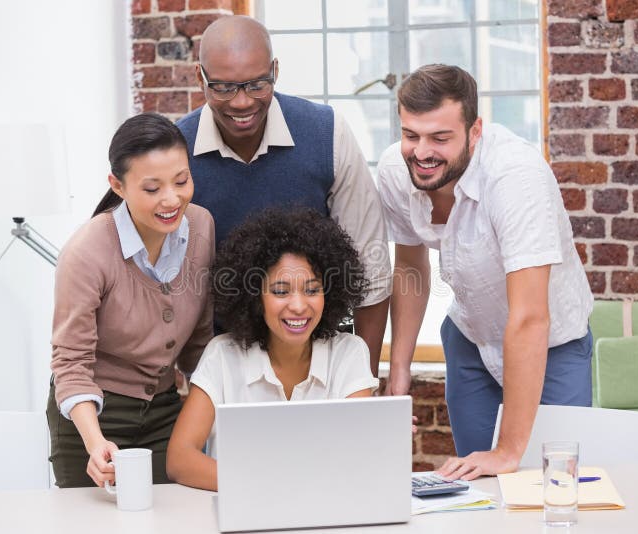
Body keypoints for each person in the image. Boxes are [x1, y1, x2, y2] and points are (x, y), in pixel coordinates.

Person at [378, 65, 593, 480]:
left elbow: (530, 319)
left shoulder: (516, 178)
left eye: (440, 138)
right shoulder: (395, 169)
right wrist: (399, 370)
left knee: (553, 483)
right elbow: (410, 266)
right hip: (471, 338)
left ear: (475, 131)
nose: (422, 152)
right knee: (477, 487)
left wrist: (508, 451)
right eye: (411, 135)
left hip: (551, 345)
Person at [175, 15, 391, 375]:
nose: (242, 102)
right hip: (223, 363)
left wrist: (361, 381)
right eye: (224, 88)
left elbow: (372, 272)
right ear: (200, 77)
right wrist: (199, 378)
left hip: (323, 358)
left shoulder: (328, 134)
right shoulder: (175, 150)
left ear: (275, 70)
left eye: (257, 84)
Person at [48, 113, 215, 488]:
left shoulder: (202, 226)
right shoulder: (87, 252)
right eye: (152, 189)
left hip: (166, 413)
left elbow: (200, 341)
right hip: (92, 418)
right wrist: (95, 443)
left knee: (175, 513)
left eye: (181, 181)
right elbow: (71, 364)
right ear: (117, 186)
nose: (171, 199)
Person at [165, 209, 379, 491]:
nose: (299, 306)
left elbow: (359, 455)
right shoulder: (223, 356)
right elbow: (179, 460)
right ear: (256, 296)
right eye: (280, 291)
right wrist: (268, 486)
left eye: (312, 290)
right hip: (242, 511)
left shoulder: (348, 354)